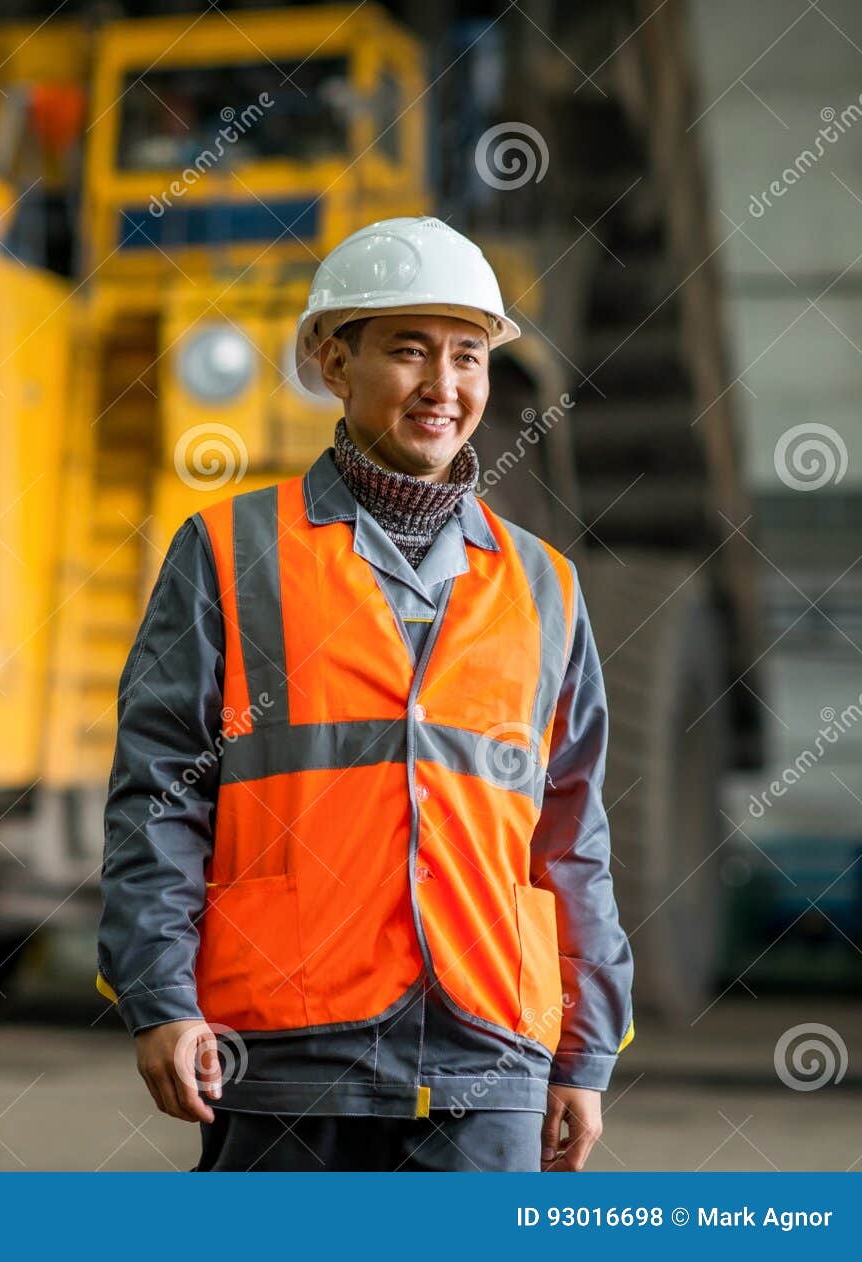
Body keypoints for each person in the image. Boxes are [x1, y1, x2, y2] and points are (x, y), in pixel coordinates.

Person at [97, 216, 635, 1173]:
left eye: (468, 356)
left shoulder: (543, 584)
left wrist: (584, 1052)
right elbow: (160, 797)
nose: (444, 386)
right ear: (334, 362)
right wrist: (161, 998)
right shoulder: (229, 551)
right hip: (288, 1043)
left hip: (492, 1052)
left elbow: (570, 832)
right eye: (409, 351)